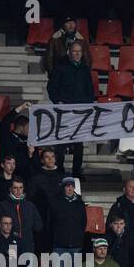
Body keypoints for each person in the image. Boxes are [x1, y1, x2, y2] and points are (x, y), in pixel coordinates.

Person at [46, 41, 95, 178]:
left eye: (79, 51)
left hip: (80, 113)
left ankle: (76, 172)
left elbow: (90, 90)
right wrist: (58, 101)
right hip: (64, 112)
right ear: (69, 52)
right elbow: (51, 88)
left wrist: (89, 105)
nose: (77, 54)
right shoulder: (61, 67)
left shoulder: (85, 69)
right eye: (74, 51)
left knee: (78, 144)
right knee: (61, 143)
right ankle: (59, 170)